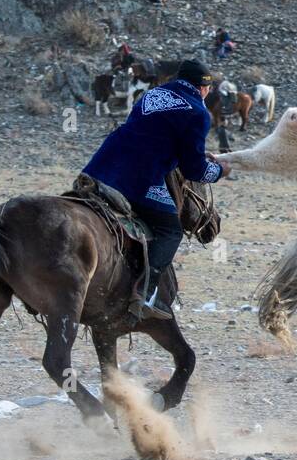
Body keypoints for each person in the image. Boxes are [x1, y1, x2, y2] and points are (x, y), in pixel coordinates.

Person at [80, 60, 229, 318]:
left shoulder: (153, 94)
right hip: (140, 178)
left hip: (102, 165)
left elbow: (149, 133)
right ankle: (144, 294)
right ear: (203, 88)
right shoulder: (197, 112)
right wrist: (219, 171)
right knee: (170, 230)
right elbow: (194, 171)